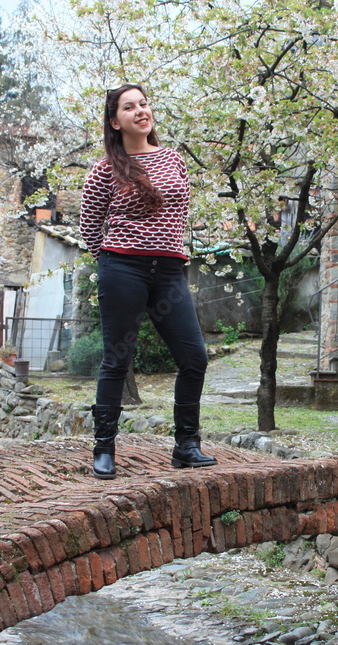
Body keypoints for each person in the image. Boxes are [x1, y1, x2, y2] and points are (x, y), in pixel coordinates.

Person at [79, 83, 217, 479]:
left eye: (143, 103)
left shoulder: (174, 159)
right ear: (115, 121)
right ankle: (103, 448)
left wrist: (159, 248)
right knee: (117, 358)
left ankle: (186, 446)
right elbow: (89, 226)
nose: (140, 110)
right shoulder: (106, 169)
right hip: (122, 267)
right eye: (129, 106)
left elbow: (178, 215)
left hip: (169, 270)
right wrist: (114, 260)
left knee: (194, 358)